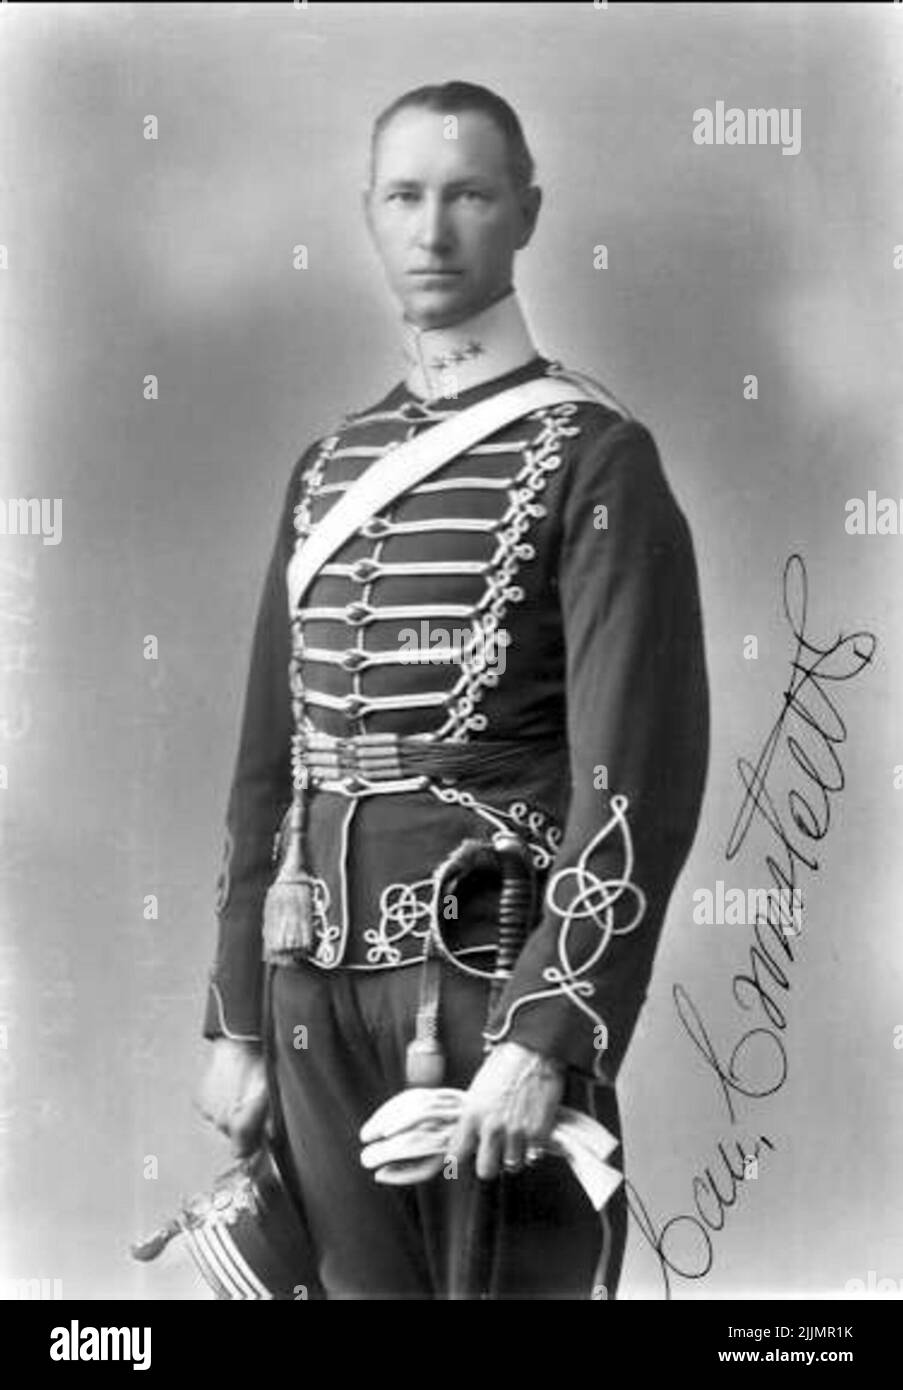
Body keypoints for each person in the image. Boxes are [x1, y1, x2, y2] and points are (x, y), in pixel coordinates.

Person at [196, 80, 709, 1299]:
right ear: (368, 216)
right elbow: (268, 762)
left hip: (488, 975)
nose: (434, 233)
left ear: (526, 213)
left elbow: (634, 779)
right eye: (405, 198)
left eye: (469, 196)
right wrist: (236, 1018)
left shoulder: (596, 455)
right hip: (310, 985)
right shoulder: (326, 468)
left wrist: (550, 1032)